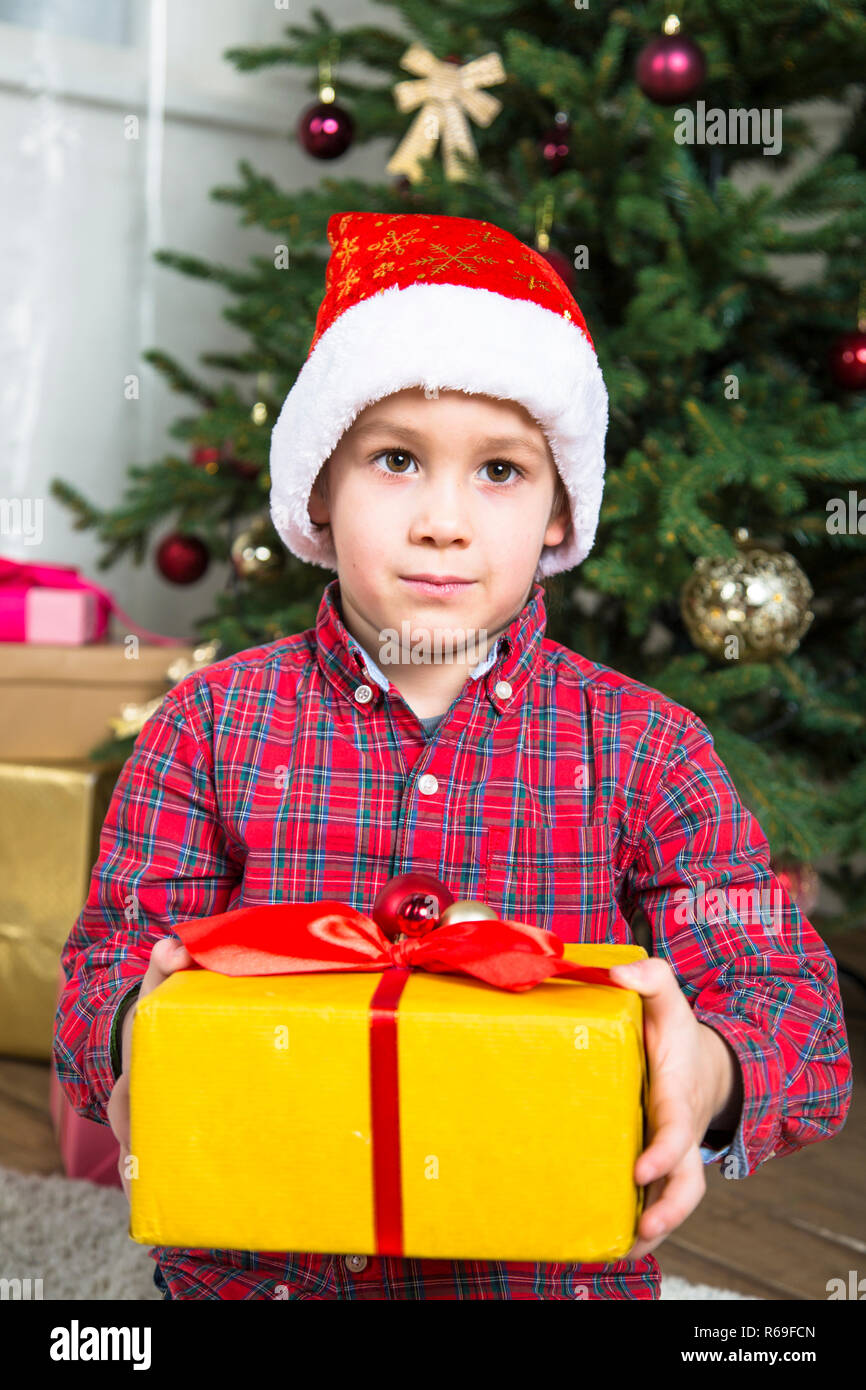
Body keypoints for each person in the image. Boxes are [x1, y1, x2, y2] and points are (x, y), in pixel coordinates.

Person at [54, 211, 852, 1301]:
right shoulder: (207, 725)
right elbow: (103, 963)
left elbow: (790, 1003)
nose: (442, 520)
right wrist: (136, 1031)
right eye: (395, 460)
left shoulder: (648, 751)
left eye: (499, 471)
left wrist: (705, 1069)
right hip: (256, 1276)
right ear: (318, 491)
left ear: (562, 506)